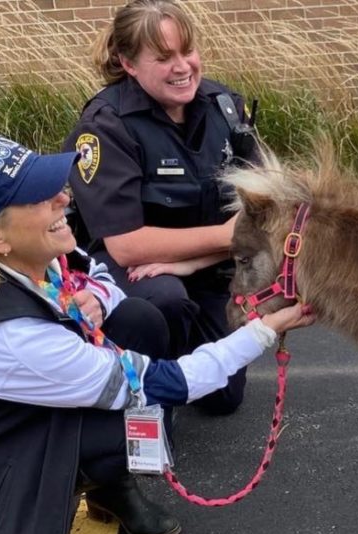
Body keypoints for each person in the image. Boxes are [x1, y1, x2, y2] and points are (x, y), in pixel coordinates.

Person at [0, 136, 313, 534]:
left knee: (138, 319)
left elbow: (97, 272)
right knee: (127, 418)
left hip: (5, 418)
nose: (64, 196)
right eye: (39, 198)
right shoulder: (9, 336)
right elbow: (166, 382)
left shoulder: (32, 254)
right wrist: (263, 331)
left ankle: (107, 488)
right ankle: (1, 529)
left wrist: (94, 298)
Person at [63, 0, 261, 416]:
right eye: (164, 57)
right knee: (163, 300)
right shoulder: (105, 126)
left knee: (223, 399)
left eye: (187, 51)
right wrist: (230, 235)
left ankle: (181, 368)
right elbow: (127, 246)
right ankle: (138, 385)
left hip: (207, 266)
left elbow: (265, 213)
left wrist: (193, 261)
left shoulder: (225, 106)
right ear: (128, 64)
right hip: (137, 273)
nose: (182, 66)